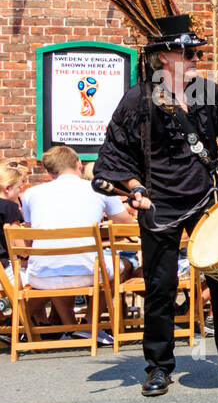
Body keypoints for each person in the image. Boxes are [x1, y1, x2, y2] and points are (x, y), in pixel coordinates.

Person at [89, 0, 218, 397]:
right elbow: (114, 158)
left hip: (207, 200)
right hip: (160, 204)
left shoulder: (208, 92)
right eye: (188, 52)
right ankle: (158, 366)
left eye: (197, 52)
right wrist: (134, 190)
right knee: (161, 287)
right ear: (163, 55)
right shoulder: (137, 99)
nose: (195, 58)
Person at [17, 146, 135, 342]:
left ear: (48, 172)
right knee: (123, 265)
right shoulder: (99, 189)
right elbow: (127, 225)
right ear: (78, 164)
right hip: (87, 272)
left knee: (60, 261)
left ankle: (70, 327)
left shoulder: (31, 194)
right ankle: (89, 325)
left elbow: (30, 236)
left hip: (41, 276)